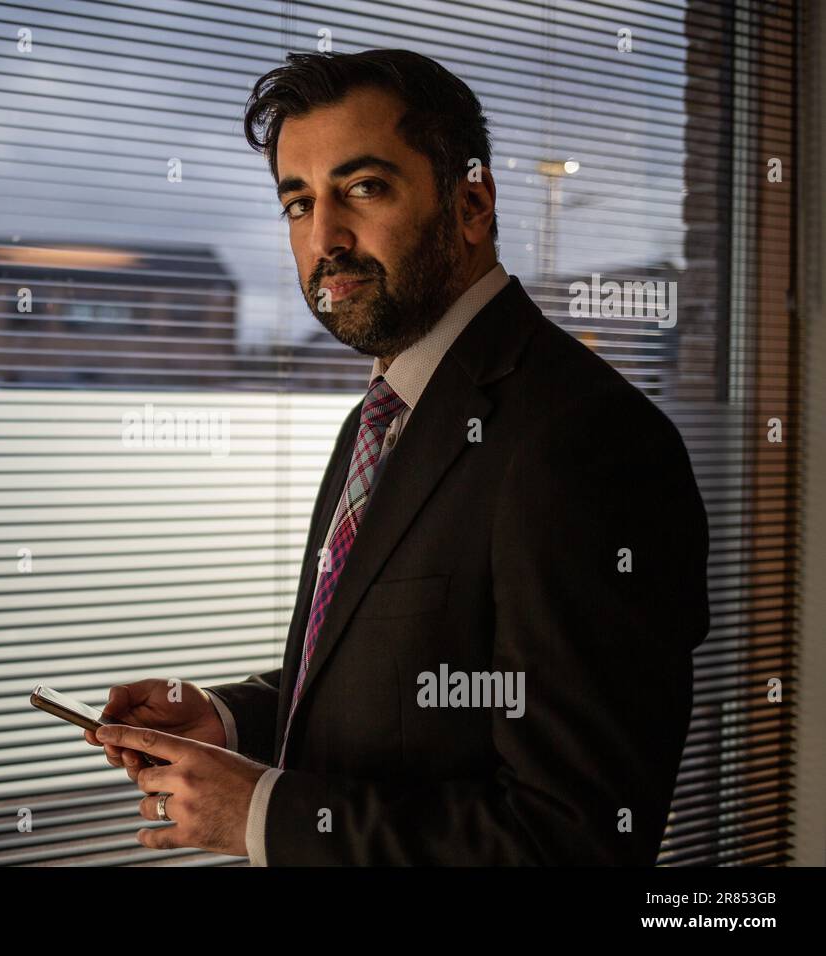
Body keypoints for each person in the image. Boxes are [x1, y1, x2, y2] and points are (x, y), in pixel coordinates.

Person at [85, 49, 710, 866]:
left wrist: (263, 815)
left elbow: (570, 839)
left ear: (472, 203)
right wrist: (226, 721)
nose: (324, 238)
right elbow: (399, 691)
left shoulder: (587, 442)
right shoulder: (383, 415)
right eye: (298, 202)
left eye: (364, 188)